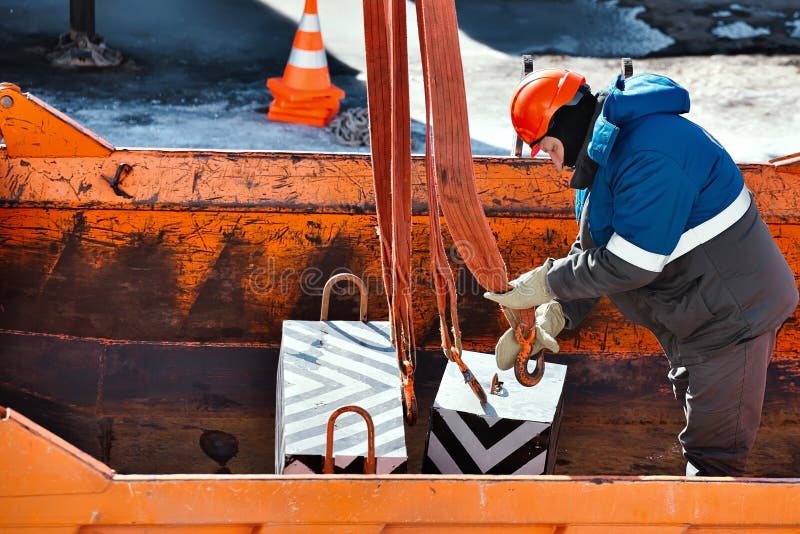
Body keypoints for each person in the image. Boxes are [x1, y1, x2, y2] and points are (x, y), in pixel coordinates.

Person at [484, 68, 798, 476]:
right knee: (704, 436)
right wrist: (558, 311)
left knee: (714, 460)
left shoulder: (648, 152)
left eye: (545, 146)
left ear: (563, 120)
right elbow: (598, 246)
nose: (547, 159)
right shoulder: (604, 154)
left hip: (733, 318)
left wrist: (545, 282)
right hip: (697, 313)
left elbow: (633, 262)